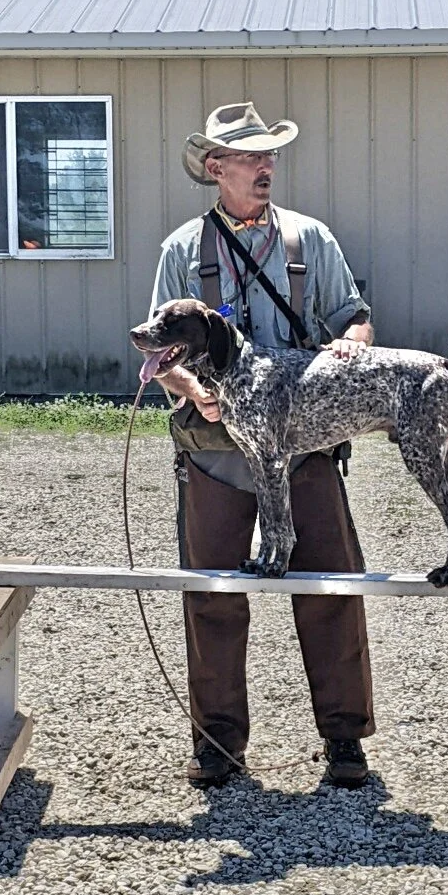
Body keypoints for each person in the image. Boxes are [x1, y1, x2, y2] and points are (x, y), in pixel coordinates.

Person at [147, 102, 375, 788]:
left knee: (332, 584)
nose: (266, 166)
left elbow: (354, 317)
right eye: (250, 157)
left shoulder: (311, 239)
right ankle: (217, 745)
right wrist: (194, 390)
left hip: (303, 448)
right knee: (213, 592)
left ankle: (345, 741)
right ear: (215, 168)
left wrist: (349, 350)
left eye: (270, 154)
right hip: (214, 450)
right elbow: (162, 352)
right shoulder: (182, 250)